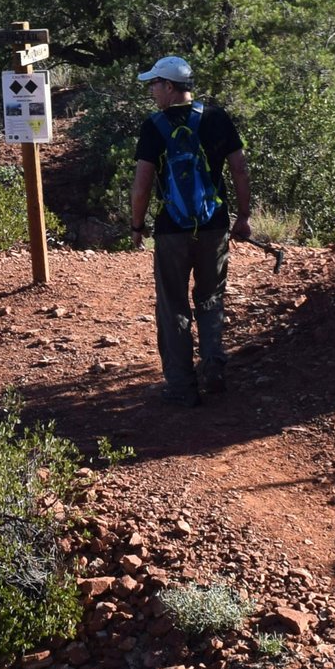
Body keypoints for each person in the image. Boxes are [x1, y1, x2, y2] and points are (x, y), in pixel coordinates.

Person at [128, 55, 251, 407]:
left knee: (173, 306)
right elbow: (239, 168)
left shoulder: (154, 126)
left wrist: (137, 225)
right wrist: (242, 216)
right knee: (211, 298)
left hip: (171, 230)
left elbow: (142, 183)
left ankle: (181, 386)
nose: (152, 90)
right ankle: (213, 361)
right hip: (213, 226)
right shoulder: (216, 118)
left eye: (154, 84)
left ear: (169, 86)